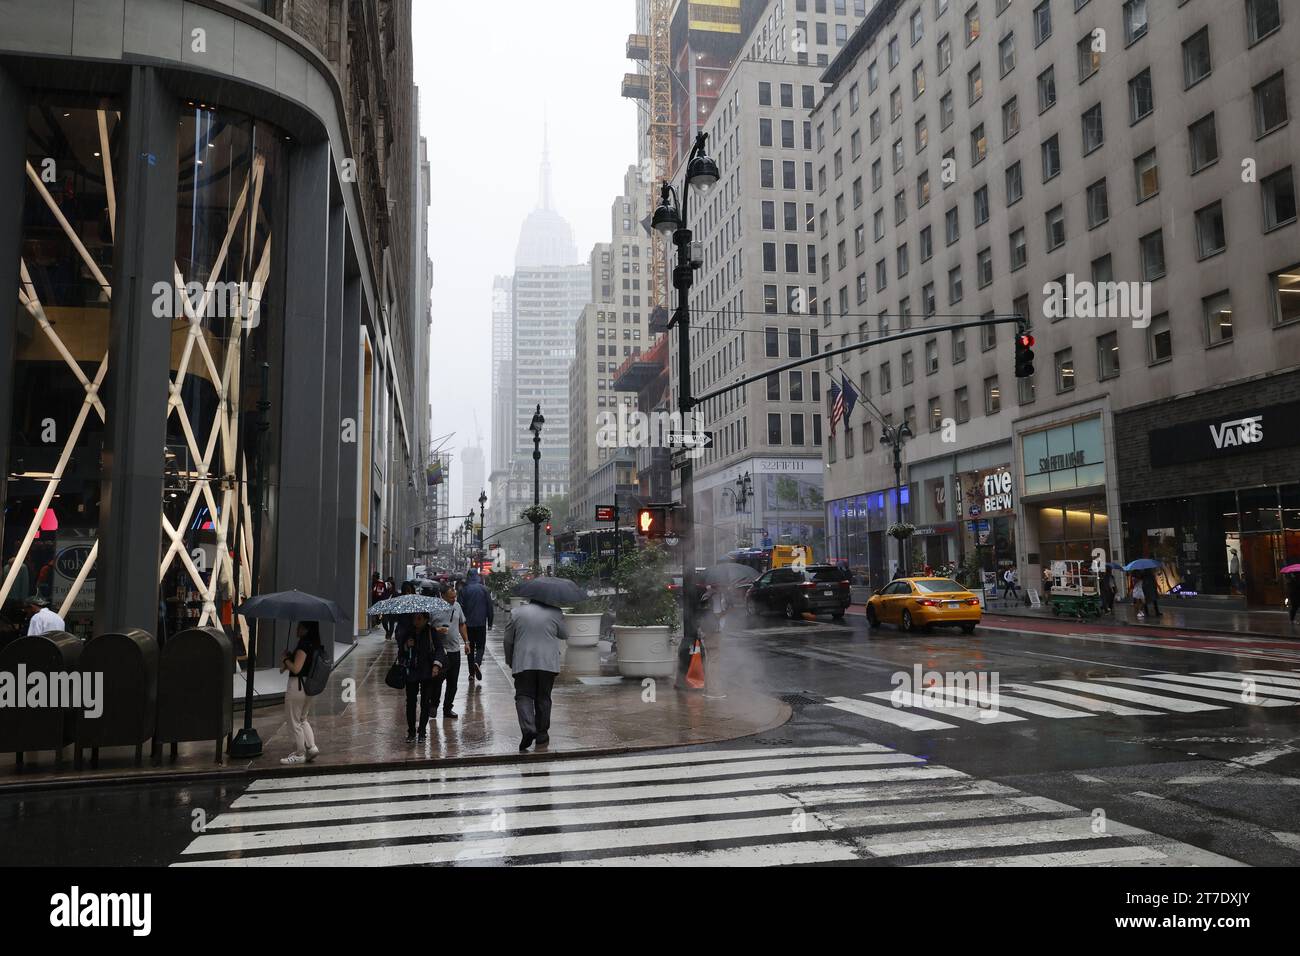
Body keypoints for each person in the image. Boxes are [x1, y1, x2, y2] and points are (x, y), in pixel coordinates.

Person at [503, 597, 568, 751]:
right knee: (544, 697)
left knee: (524, 695)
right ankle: (542, 733)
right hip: (548, 663)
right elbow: (565, 634)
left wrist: (509, 659)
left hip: (523, 662)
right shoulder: (555, 612)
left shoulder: (516, 612)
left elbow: (508, 639)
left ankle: (528, 728)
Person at [279, 621, 322, 765]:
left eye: (300, 627)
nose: (297, 629)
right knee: (303, 718)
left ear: (306, 629)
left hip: (297, 686)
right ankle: (311, 747)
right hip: (308, 686)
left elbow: (296, 669)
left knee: (294, 721)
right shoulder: (314, 645)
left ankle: (299, 753)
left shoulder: (303, 646)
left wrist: (286, 658)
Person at [402, 611, 447, 741]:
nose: (416, 621)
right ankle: (411, 732)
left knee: (425, 702)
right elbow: (401, 650)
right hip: (411, 672)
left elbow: (439, 649)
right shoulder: (408, 631)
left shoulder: (431, 632)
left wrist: (436, 665)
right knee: (410, 702)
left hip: (427, 672)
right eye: (414, 618)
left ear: (426, 620)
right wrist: (406, 646)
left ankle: (422, 732)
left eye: (419, 618)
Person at [431, 582, 468, 719]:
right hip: (439, 652)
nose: (454, 600)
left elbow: (462, 624)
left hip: (454, 651)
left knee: (453, 683)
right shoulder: (433, 608)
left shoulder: (457, 606)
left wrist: (467, 642)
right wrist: (436, 630)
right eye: (451, 597)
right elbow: (425, 628)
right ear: (442, 596)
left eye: (455, 597)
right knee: (437, 681)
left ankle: (448, 708)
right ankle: (434, 705)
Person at [459, 570, 494, 683]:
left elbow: (460, 607)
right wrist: (490, 622)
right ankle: (477, 663)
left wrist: (460, 622)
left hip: (468, 624)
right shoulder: (484, 589)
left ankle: (471, 674)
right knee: (480, 647)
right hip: (480, 623)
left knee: (470, 647)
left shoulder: (464, 590)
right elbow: (489, 606)